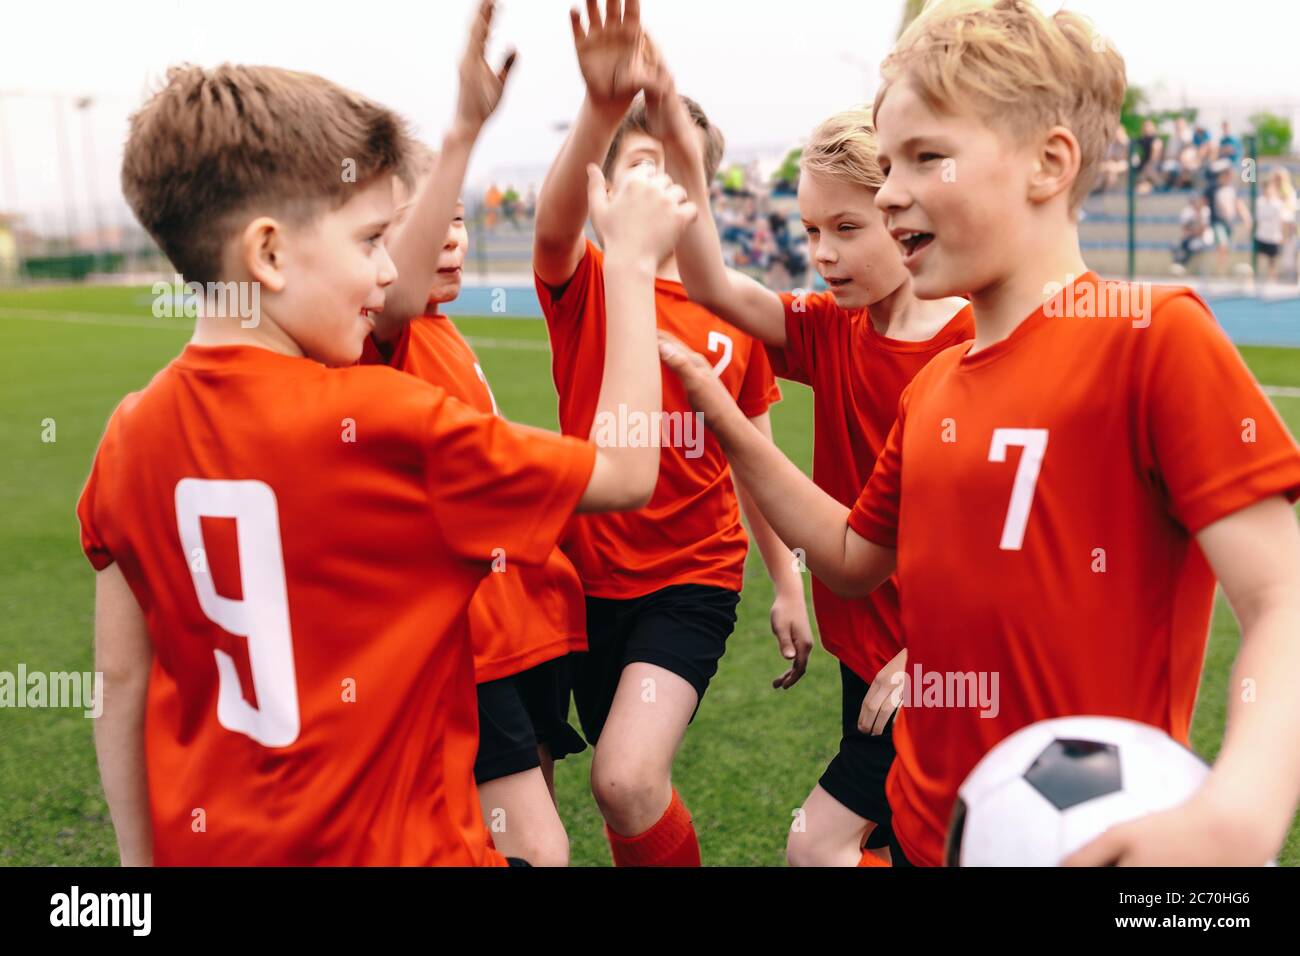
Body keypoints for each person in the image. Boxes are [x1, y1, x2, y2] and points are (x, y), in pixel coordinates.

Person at [658, 0, 1300, 868]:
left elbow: (1281, 600)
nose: (889, 193)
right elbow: (850, 558)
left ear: (1049, 162)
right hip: (934, 836)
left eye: (927, 157)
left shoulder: (1153, 338)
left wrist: (1243, 809)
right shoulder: (934, 389)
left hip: (1090, 843)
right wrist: (732, 422)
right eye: (887, 166)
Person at [77, 0, 699, 866]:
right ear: (268, 253)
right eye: (372, 238)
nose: (385, 268)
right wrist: (629, 265)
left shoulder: (127, 434)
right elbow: (628, 472)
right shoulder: (379, 420)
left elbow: (122, 678)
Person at [531, 0, 812, 867]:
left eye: (672, 172)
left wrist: (787, 581)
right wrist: (602, 108)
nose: (657, 188)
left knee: (623, 779)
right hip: (583, 580)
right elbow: (551, 227)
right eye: (635, 168)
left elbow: (752, 456)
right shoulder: (587, 279)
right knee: (614, 793)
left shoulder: (729, 312)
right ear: (606, 187)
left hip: (691, 580)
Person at [657, 92, 972, 866]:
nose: (822, 254)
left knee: (817, 845)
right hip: (866, 652)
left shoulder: (970, 344)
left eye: (846, 229)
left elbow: (1006, 532)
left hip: (933, 665)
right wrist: (685, 155)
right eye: (809, 232)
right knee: (903, 843)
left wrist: (938, 651)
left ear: (906, 216)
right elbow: (712, 288)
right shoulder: (834, 327)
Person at [1171, 192, 1212, 275]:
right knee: (1176, 244)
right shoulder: (1187, 211)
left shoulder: (1205, 210)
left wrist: (1198, 215)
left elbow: (1202, 231)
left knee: (1193, 245)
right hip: (1190, 237)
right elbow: (1184, 229)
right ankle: (1178, 265)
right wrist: (1190, 233)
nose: (1194, 203)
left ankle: (1182, 265)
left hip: (1203, 238)